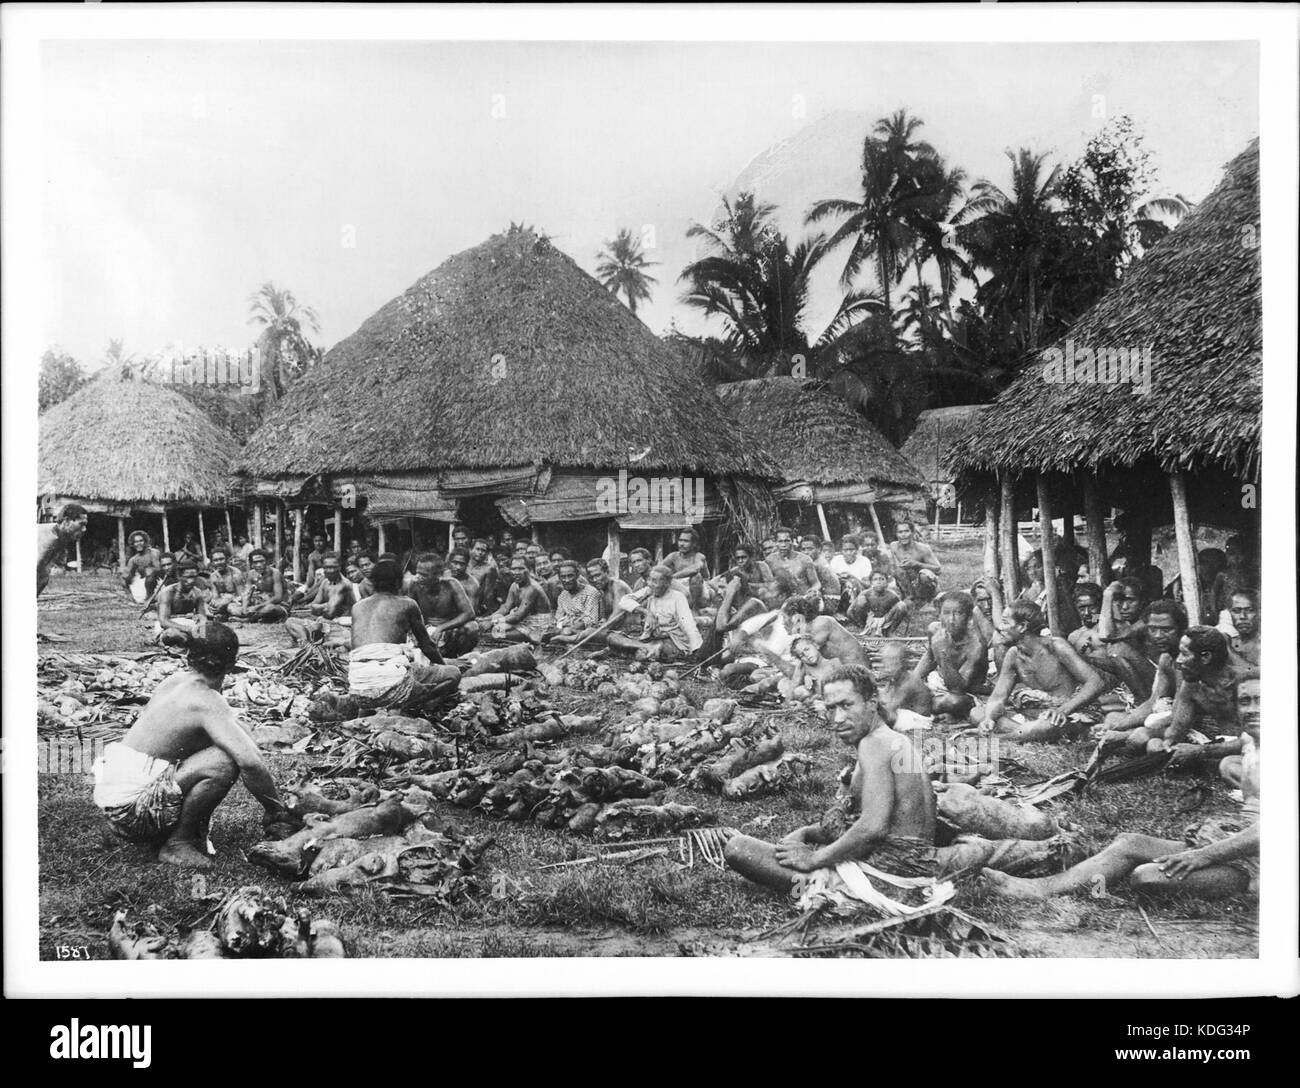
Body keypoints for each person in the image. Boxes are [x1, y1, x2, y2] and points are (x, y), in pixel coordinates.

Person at [724, 665, 1070, 897]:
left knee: (739, 849)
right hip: (915, 858)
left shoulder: (876, 746)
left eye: (846, 705)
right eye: (830, 708)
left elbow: (872, 829)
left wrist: (814, 859)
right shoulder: (886, 740)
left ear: (872, 702)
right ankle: (1071, 851)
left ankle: (1086, 855)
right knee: (1014, 853)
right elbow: (874, 819)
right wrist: (806, 834)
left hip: (898, 872)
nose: (837, 718)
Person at [984, 677, 1260, 902]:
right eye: (1245, 701)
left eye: (1260, 700)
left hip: (1264, 867)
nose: (1252, 709)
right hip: (1239, 845)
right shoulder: (1251, 741)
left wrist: (1202, 855)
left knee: (1146, 877)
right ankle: (1040, 888)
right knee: (1128, 842)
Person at [91, 623, 290, 869]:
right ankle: (178, 843)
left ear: (188, 656)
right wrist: (276, 810)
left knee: (231, 738)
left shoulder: (174, 681)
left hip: (117, 804)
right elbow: (250, 762)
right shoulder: (206, 700)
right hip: (131, 813)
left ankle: (181, 832)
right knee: (224, 762)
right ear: (231, 664)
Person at [971, 600, 1106, 742]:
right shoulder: (1013, 654)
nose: (999, 627)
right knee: (977, 713)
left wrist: (1062, 710)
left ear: (1022, 627)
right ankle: (1026, 732)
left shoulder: (1056, 647)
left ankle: (1004, 736)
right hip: (1035, 714)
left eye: (1005, 622)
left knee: (1043, 727)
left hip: (1066, 713)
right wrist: (988, 719)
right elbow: (998, 696)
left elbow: (1096, 682)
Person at [348, 559, 460, 710]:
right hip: (392, 689)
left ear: (373, 581)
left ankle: (373, 707)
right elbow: (427, 646)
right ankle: (409, 703)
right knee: (454, 674)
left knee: (392, 671)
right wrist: (442, 667)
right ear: (398, 582)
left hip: (357, 691)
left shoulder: (357, 607)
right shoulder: (407, 604)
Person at [910, 591, 989, 718]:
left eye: (958, 613)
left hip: (965, 691)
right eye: (946, 613)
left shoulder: (976, 645)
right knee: (903, 688)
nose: (951, 620)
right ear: (939, 614)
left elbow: (957, 688)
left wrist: (943, 654)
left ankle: (922, 706)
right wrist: (912, 681)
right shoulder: (934, 630)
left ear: (968, 617)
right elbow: (930, 657)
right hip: (939, 683)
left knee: (953, 701)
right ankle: (925, 705)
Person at [605, 565, 702, 663]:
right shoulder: (649, 591)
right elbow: (623, 601)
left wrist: (696, 650)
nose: (650, 584)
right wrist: (647, 613)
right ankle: (646, 649)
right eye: (649, 580)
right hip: (649, 640)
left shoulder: (678, 597)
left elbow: (689, 625)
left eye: (655, 581)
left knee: (661, 649)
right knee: (612, 637)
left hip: (671, 641)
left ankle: (638, 651)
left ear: (667, 583)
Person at [408, 553, 479, 657]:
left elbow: (469, 613)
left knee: (472, 627)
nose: (418, 577)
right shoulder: (415, 584)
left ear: (438, 575)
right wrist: (418, 632)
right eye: (418, 573)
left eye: (424, 575)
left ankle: (460, 658)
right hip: (424, 632)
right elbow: (409, 613)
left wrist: (441, 628)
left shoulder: (451, 584)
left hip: (449, 632)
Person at [285, 551, 357, 647]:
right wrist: (324, 606)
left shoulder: (343, 585)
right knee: (290, 622)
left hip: (342, 627)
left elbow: (329, 612)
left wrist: (320, 608)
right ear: (323, 568)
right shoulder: (325, 582)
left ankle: (308, 643)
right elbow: (313, 608)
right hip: (326, 624)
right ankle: (306, 643)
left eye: (333, 567)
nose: (330, 570)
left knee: (320, 626)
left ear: (340, 567)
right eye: (327, 567)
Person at [779, 596, 870, 668]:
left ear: (796, 618)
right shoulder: (813, 625)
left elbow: (804, 660)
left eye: (784, 617)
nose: (783, 622)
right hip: (852, 668)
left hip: (857, 670)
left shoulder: (819, 624)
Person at [484, 556, 554, 645]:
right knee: (497, 628)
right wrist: (488, 618)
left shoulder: (532, 588)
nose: (517, 572)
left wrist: (492, 622)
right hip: (526, 620)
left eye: (521, 569)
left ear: (529, 570)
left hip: (540, 624)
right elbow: (506, 607)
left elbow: (518, 616)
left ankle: (536, 639)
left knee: (496, 634)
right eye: (514, 569)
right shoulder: (514, 585)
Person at [714, 541, 778, 634]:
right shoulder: (735, 571)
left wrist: (748, 585)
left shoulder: (761, 566)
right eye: (738, 558)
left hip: (761, 603)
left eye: (743, 557)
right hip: (743, 604)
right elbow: (713, 582)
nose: (740, 561)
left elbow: (771, 586)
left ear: (751, 557)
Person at [546, 561, 604, 644]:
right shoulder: (563, 596)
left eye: (570, 576)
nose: (566, 580)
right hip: (565, 629)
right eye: (563, 577)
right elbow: (558, 618)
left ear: (577, 575)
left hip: (584, 632)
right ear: (559, 578)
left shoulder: (591, 592)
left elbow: (591, 620)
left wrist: (569, 629)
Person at [37, 504, 89, 594]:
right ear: (67, 521)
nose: (84, 529)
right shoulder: (48, 539)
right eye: (81, 524)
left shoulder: (60, 538)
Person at [155, 561, 209, 647]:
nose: (191, 581)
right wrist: (187, 629)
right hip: (169, 628)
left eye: (194, 577)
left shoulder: (197, 593)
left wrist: (200, 628)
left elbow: (202, 618)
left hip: (190, 626)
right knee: (172, 634)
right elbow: (164, 621)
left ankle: (191, 642)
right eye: (187, 577)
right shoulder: (168, 592)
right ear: (179, 576)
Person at [889, 520, 941, 604]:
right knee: (898, 571)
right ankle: (909, 597)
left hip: (922, 582)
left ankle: (928, 600)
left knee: (924, 574)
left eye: (906, 531)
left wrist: (916, 564)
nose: (903, 535)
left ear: (912, 532)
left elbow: (938, 569)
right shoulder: (893, 546)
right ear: (896, 534)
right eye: (900, 532)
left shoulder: (922, 548)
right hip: (907, 583)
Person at [230, 549, 288, 621]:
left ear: (267, 561)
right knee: (231, 606)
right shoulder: (251, 574)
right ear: (252, 564)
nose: (259, 565)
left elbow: (278, 597)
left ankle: (247, 619)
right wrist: (244, 608)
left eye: (261, 561)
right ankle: (255, 616)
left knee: (269, 609)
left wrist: (257, 607)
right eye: (255, 562)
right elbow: (247, 593)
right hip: (260, 604)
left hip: (277, 605)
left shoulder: (275, 573)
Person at [766, 527, 820, 605]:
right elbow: (767, 584)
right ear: (776, 543)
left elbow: (816, 583)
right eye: (780, 541)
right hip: (782, 602)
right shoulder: (770, 560)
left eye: (787, 541)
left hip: (804, 600)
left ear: (792, 541)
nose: (783, 545)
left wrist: (812, 591)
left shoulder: (804, 559)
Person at [1209, 535, 1257, 621]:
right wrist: (1214, 610)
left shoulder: (1249, 574)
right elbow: (1214, 593)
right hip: (1227, 611)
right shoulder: (1222, 574)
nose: (1236, 558)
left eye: (1240, 553)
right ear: (1227, 555)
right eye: (1232, 554)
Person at [847, 571, 908, 636]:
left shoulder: (892, 595)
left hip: (885, 620)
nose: (879, 582)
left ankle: (890, 632)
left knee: (902, 605)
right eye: (875, 579)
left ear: (886, 582)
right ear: (871, 582)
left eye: (882, 579)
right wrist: (860, 623)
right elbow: (850, 611)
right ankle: (864, 629)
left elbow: (902, 611)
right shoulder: (865, 594)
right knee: (860, 602)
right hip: (868, 620)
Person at [662, 528, 710, 609]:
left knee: (696, 577)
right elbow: (658, 569)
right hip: (680, 588)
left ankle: (694, 609)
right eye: (680, 540)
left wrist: (671, 577)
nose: (681, 544)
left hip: (699, 591)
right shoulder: (673, 556)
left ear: (694, 543)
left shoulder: (698, 556)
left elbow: (694, 570)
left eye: (686, 541)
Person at [830, 535, 873, 614]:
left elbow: (868, 585)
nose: (848, 553)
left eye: (851, 549)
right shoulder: (836, 560)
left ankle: (853, 611)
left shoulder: (864, 561)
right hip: (841, 593)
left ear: (857, 550)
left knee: (852, 582)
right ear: (841, 551)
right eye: (845, 550)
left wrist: (852, 576)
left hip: (859, 593)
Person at [800, 537, 843, 615]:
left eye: (810, 549)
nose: (806, 552)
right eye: (803, 549)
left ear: (819, 549)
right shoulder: (819, 560)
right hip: (832, 599)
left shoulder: (815, 563)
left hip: (829, 601)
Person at [1218, 590, 1260, 668]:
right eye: (1236, 611)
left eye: (1250, 610)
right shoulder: (1229, 641)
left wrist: (1230, 652)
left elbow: (1255, 672)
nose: (1242, 616)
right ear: (1229, 614)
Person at [203, 546, 245, 619]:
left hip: (235, 603)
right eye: (215, 560)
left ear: (227, 559)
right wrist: (214, 605)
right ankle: (220, 615)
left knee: (232, 609)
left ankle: (224, 615)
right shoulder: (213, 577)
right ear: (212, 562)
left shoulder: (235, 574)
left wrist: (227, 600)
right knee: (203, 605)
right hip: (221, 603)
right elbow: (215, 596)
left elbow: (241, 596)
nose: (219, 562)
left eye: (221, 559)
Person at [121, 531, 162, 603]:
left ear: (145, 542)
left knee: (149, 573)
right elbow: (124, 578)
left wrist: (152, 570)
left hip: (158, 584)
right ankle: (147, 598)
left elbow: (159, 569)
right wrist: (129, 594)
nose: (138, 543)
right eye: (136, 542)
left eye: (141, 541)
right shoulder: (133, 559)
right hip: (142, 586)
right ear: (133, 544)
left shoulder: (153, 553)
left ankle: (150, 598)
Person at [1067, 582, 1105, 655]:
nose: (1087, 613)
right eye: (1082, 608)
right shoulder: (1074, 637)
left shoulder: (1107, 632)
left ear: (1100, 606)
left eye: (1092, 607)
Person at [467, 538, 501, 614]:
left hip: (474, 608)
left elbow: (488, 594)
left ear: (486, 553)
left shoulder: (488, 569)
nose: (480, 552)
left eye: (483, 550)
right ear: (471, 549)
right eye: (477, 549)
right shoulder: (463, 566)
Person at [446, 547, 483, 613]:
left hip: (461, 618)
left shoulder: (472, 585)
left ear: (467, 565)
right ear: (449, 562)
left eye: (462, 564)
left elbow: (471, 612)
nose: (458, 567)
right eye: (455, 563)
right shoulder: (442, 577)